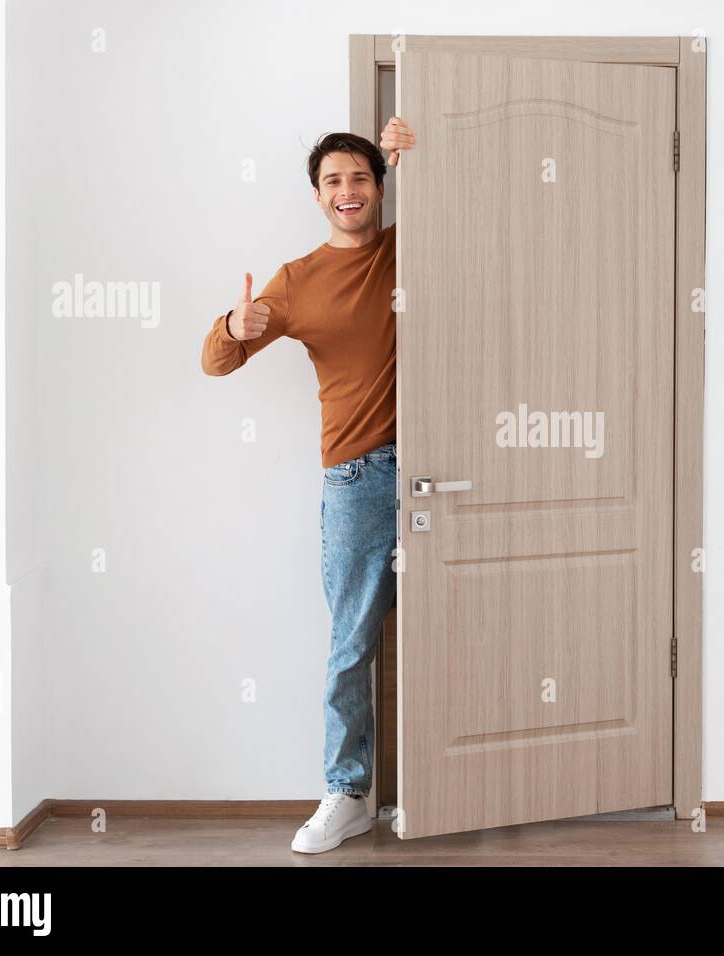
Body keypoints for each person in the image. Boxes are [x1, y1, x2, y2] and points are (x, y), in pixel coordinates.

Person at [200, 117, 415, 853]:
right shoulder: (298, 279)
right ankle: (347, 792)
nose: (347, 191)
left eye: (360, 177)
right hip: (355, 477)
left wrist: (420, 149)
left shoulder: (409, 249)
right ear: (318, 197)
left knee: (453, 626)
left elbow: (464, 206)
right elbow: (215, 363)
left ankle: (456, 788)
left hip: (433, 473)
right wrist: (234, 323)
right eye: (333, 182)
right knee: (352, 642)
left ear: (380, 187)